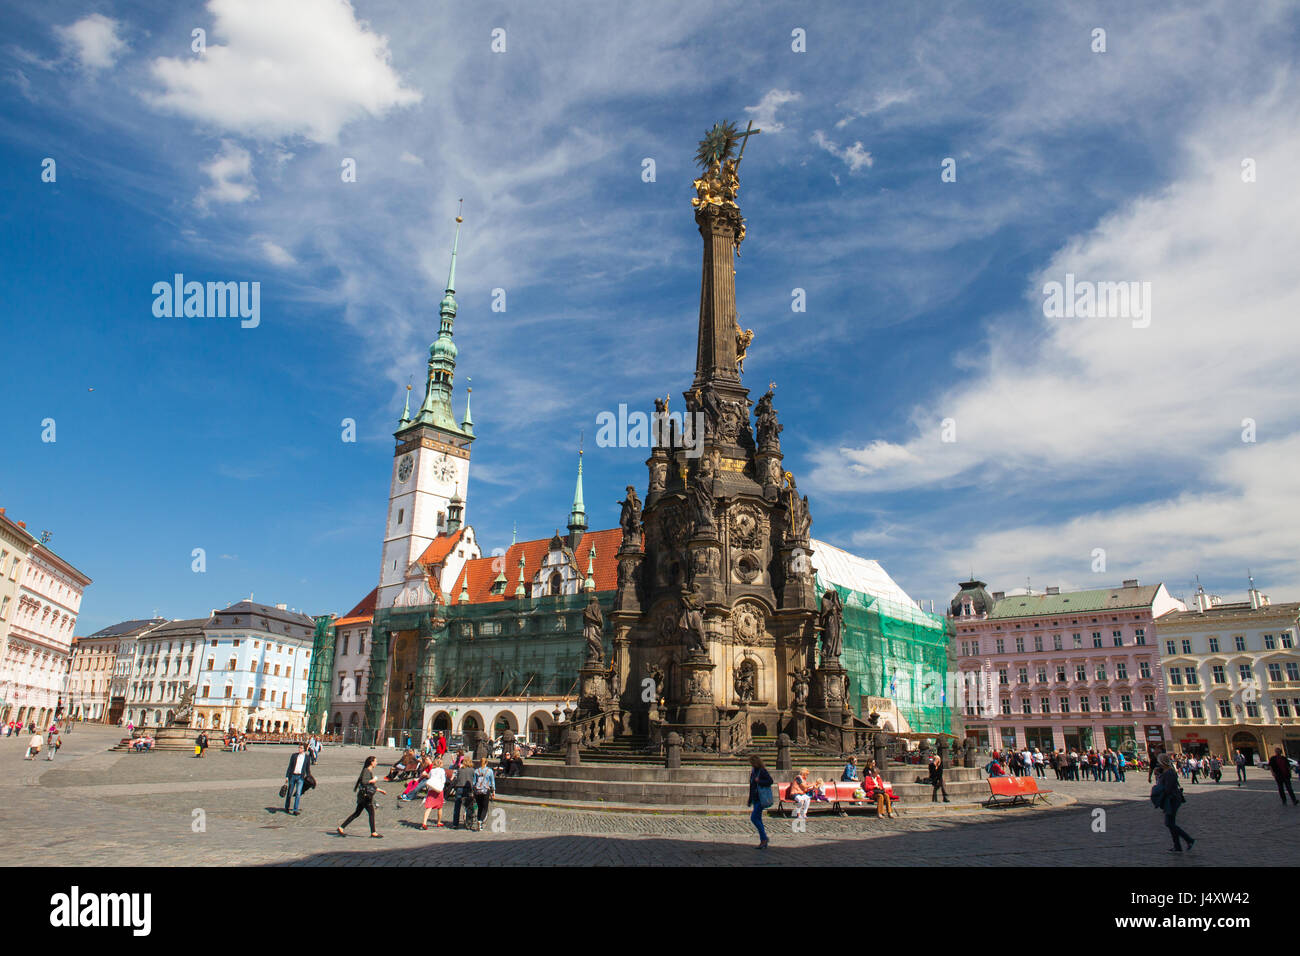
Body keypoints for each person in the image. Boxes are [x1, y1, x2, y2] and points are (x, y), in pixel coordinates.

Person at [1153, 753, 1194, 853]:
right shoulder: (1166, 771)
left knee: (1169, 823)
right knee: (1170, 823)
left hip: (1172, 799)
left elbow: (1168, 788)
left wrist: (1158, 792)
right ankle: (1177, 846)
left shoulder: (1169, 772)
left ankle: (1189, 840)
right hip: (1171, 799)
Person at [338, 755, 386, 838]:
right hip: (365, 797)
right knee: (371, 813)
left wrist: (380, 790)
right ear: (371, 762)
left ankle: (341, 827)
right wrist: (373, 780)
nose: (376, 763)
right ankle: (373, 832)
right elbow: (364, 782)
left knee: (357, 813)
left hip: (363, 796)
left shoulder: (368, 771)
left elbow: (369, 786)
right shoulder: (366, 771)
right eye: (375, 761)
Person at [746, 754, 773, 849]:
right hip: (755, 798)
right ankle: (763, 839)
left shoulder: (762, 771)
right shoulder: (753, 771)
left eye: (752, 763)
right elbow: (752, 786)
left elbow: (770, 781)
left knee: (754, 818)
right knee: (758, 819)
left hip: (760, 799)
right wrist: (750, 800)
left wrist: (759, 781)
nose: (751, 765)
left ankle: (764, 838)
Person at [284, 742, 314, 815]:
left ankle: (295, 809)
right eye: (299, 748)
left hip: (300, 777)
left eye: (301, 748)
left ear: (304, 749)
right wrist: (287, 776)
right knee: (290, 793)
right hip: (293, 776)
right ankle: (287, 807)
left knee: (298, 793)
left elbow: (307, 769)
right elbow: (290, 766)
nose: (299, 749)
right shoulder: (294, 756)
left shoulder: (307, 757)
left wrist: (309, 777)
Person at [419, 757, 448, 829]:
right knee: (439, 807)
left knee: (429, 807)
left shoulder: (432, 770)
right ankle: (439, 822)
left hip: (431, 789)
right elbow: (443, 780)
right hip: (438, 790)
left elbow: (430, 778)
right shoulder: (442, 771)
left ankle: (424, 823)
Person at [450, 755, 477, 829]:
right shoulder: (472, 770)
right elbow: (474, 780)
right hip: (468, 789)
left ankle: (455, 824)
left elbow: (457, 778)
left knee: (457, 807)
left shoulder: (460, 769)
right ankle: (468, 823)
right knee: (468, 806)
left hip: (459, 788)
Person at [470, 757, 495, 832]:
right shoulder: (489, 771)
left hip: (477, 791)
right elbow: (492, 782)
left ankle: (478, 820)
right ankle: (480, 821)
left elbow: (474, 782)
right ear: (486, 763)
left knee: (480, 807)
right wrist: (493, 791)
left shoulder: (476, 771)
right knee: (485, 807)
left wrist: (473, 790)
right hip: (485, 790)